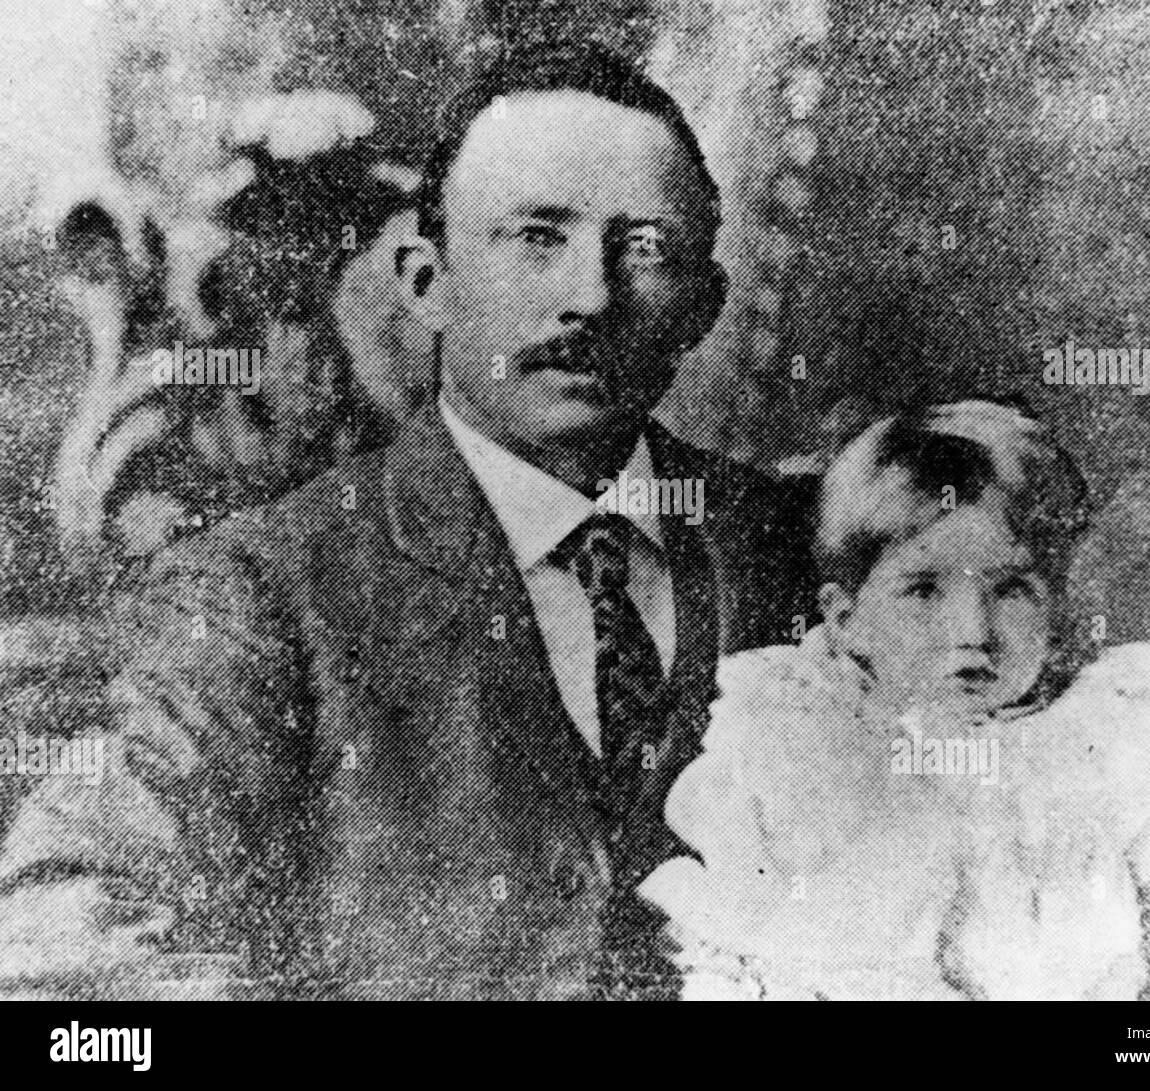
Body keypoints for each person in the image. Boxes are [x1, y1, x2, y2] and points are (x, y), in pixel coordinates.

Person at [0, 41, 814, 1001]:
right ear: (427, 282)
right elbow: (59, 958)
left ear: (702, 306)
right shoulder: (260, 589)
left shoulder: (794, 547)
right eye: (536, 237)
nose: (589, 297)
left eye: (643, 250)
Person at [641, 399, 1150, 1000]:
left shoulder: (1113, 725)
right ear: (846, 620)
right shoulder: (806, 732)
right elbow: (758, 945)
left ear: (1056, 603)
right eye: (924, 590)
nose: (974, 632)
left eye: (1011, 588)